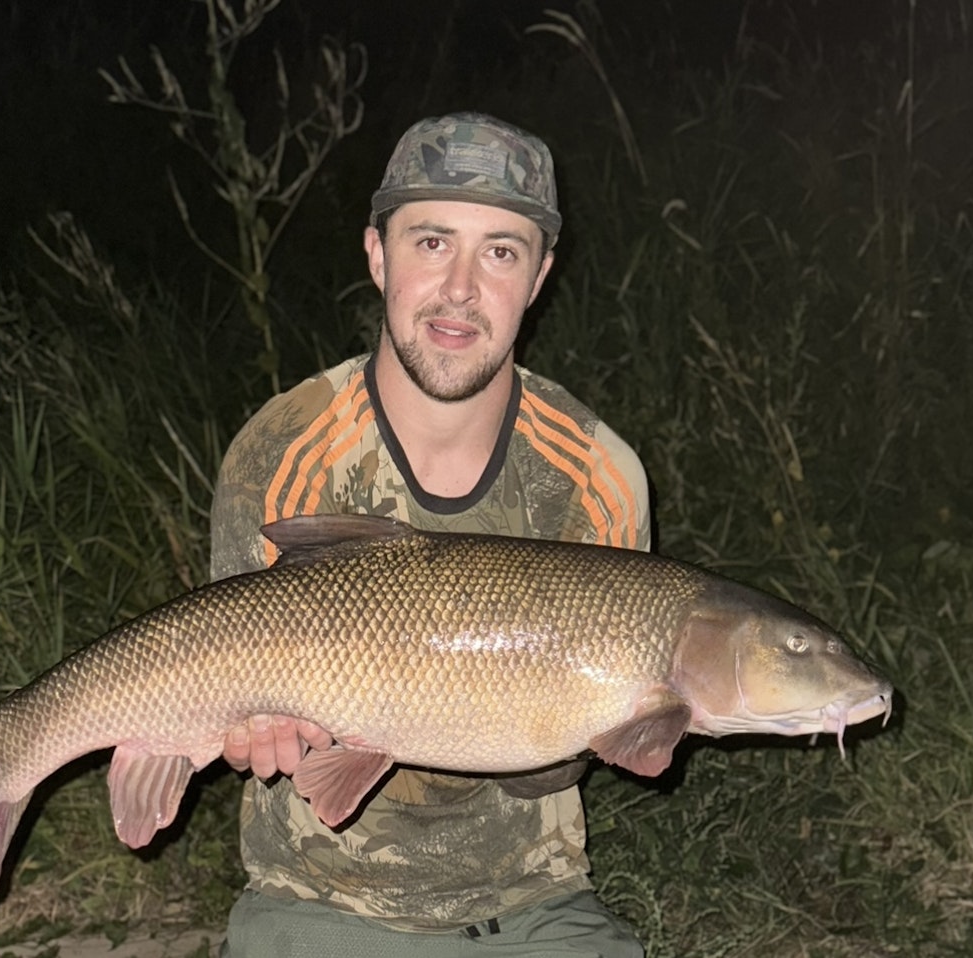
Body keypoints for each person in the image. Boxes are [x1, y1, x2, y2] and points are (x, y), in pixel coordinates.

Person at [208, 112, 651, 957]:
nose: (460, 289)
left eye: (501, 252)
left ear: (540, 276)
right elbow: (228, 657)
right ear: (377, 255)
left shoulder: (599, 476)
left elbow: (564, 764)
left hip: (530, 898)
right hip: (318, 892)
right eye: (431, 242)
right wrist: (255, 728)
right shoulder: (283, 448)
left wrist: (619, 723)